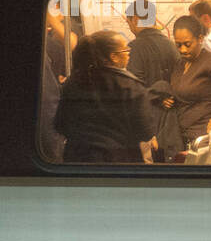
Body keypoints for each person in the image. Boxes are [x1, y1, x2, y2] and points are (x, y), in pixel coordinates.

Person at [53, 30, 155, 163]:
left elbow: (60, 125)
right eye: (125, 51)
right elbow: (145, 132)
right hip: (119, 162)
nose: (129, 54)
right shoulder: (131, 87)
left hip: (77, 160)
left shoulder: (73, 83)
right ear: (113, 56)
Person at [164, 14, 211, 144]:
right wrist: (168, 99)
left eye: (187, 44)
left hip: (205, 135)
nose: (183, 50)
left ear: (200, 39)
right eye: (178, 45)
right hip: (182, 133)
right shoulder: (179, 65)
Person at [124, 0, 175, 90]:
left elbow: (134, 87)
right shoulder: (172, 44)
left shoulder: (135, 47)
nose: (130, 28)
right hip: (171, 101)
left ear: (135, 20)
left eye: (128, 23)